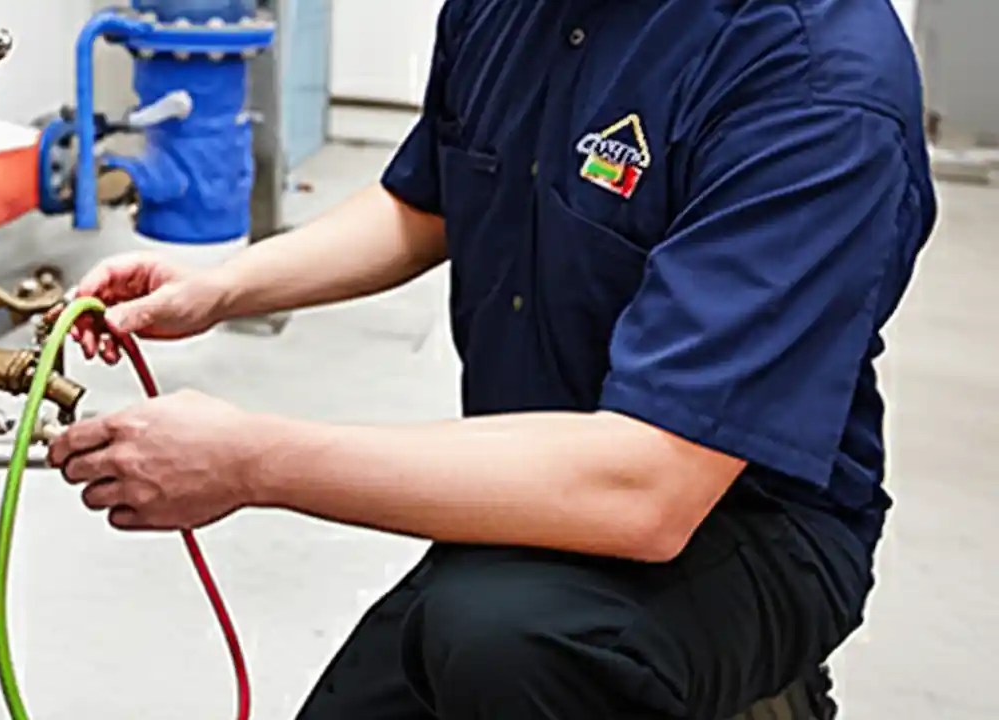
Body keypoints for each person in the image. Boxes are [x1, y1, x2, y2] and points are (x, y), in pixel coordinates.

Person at [46, 0, 937, 717]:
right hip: (534, 492)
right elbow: (426, 201)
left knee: (506, 640)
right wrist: (223, 287)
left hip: (741, 518)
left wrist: (247, 462)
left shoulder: (815, 81)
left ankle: (756, 699)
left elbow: (651, 490)